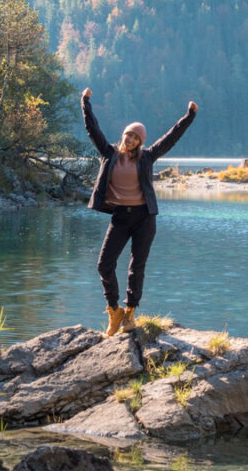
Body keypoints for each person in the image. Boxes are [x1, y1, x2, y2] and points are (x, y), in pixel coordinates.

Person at [81, 87, 198, 336]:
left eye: (136, 137)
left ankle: (130, 313)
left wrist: (189, 116)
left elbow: (171, 138)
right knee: (104, 265)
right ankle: (114, 311)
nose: (130, 139)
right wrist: (85, 102)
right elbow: (92, 129)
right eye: (128, 135)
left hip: (145, 217)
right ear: (123, 136)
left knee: (137, 266)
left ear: (140, 142)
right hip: (120, 217)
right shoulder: (109, 154)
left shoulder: (147, 157)